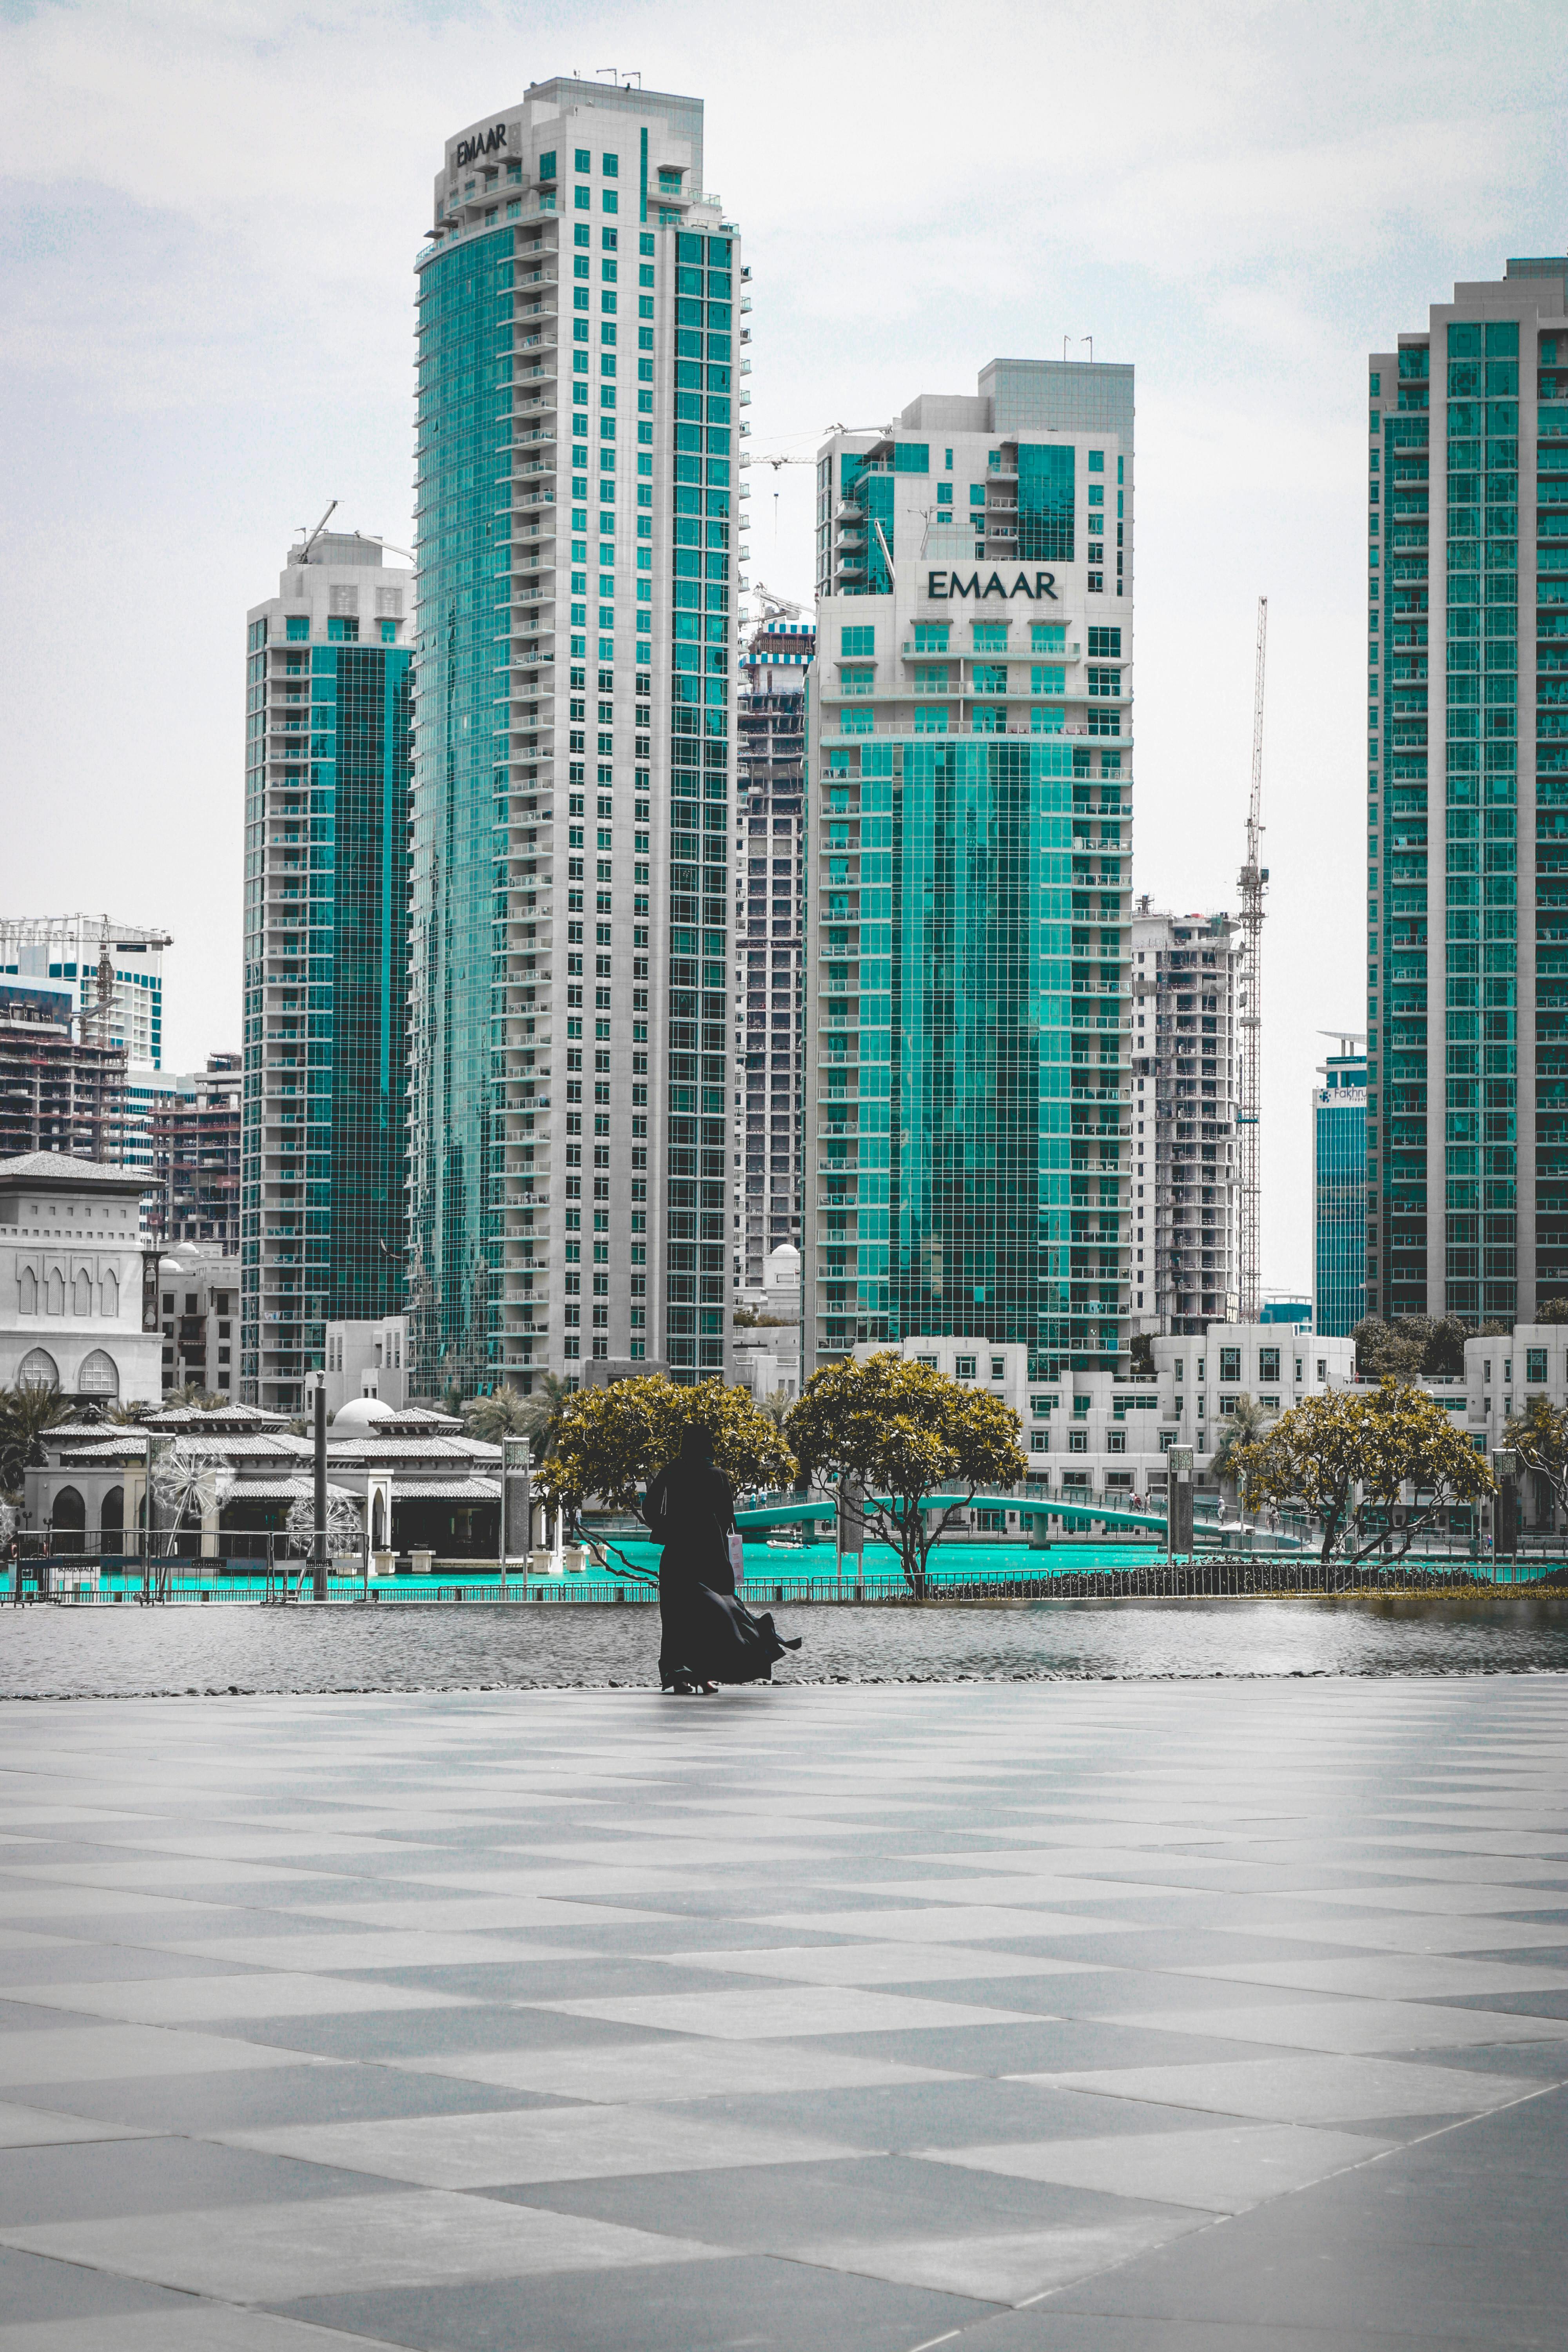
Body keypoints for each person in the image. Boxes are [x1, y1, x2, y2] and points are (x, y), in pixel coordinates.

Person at [642, 1424, 801, 1694]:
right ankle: (704, 1676)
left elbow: (650, 1506)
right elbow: (729, 1521)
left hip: (678, 1556)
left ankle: (679, 1676)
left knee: (676, 1618)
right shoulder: (719, 1476)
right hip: (710, 1555)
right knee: (711, 1617)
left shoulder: (673, 1471)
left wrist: (666, 1528)